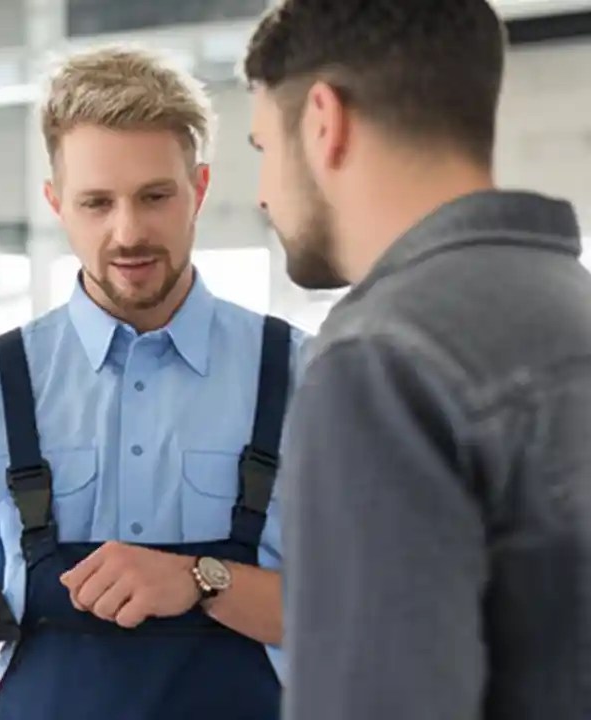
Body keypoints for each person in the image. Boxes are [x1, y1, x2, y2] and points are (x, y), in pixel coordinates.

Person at [0, 47, 308, 718]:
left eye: (155, 197)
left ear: (199, 188)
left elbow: (362, 615)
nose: (128, 231)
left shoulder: (304, 379)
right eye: (96, 203)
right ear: (56, 203)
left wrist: (200, 580)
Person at [242, 1, 591, 718]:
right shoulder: (570, 307)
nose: (263, 194)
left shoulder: (379, 363)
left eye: (262, 150)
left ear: (322, 122)